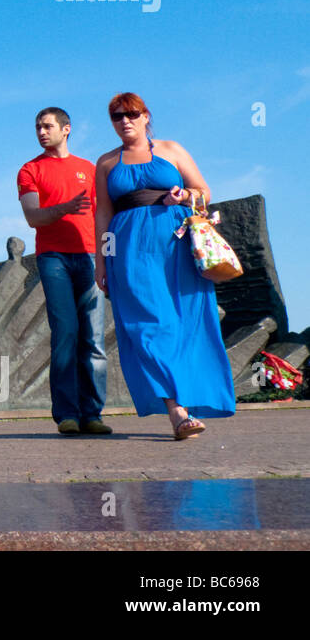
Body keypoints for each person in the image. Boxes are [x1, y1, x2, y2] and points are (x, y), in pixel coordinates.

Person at [93, 93, 234, 439]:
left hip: (177, 246)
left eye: (131, 114)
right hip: (128, 250)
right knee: (147, 326)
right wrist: (102, 260)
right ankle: (177, 412)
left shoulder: (172, 150)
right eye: (116, 116)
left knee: (183, 323)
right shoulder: (107, 163)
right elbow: (104, 214)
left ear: (145, 116)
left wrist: (184, 196)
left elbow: (203, 191)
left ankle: (185, 403)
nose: (124, 121)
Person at [18, 107, 109, 435]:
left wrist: (106, 258)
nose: (41, 132)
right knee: (66, 332)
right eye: (37, 127)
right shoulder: (30, 170)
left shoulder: (89, 169)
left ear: (66, 129)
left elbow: (103, 218)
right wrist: (64, 209)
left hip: (88, 256)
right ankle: (68, 415)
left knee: (94, 337)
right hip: (53, 258)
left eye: (47, 126)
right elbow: (33, 217)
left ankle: (93, 414)